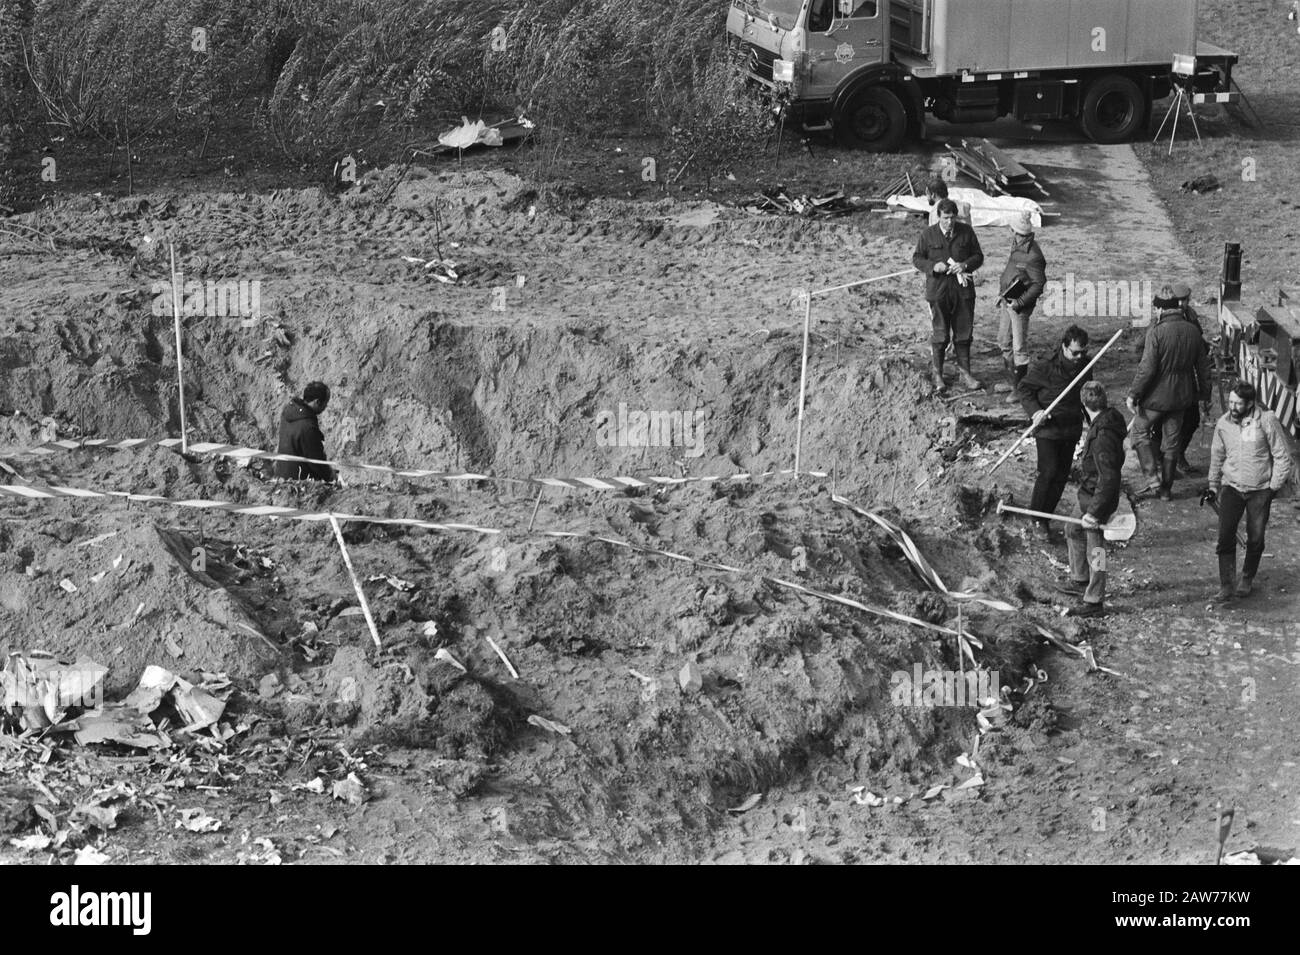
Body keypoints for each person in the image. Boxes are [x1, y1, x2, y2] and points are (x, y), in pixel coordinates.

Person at [1206, 382, 1293, 601]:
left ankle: (1247, 577)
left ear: (1250, 403)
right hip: (1232, 488)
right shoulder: (1223, 424)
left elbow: (1283, 455)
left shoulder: (1267, 421)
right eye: (1231, 402)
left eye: (1238, 403)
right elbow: (1217, 455)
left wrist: (1273, 487)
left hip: (1260, 491)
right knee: (1225, 537)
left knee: (1256, 538)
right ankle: (1226, 585)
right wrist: (1213, 485)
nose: (1233, 407)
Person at [1127, 285, 1212, 501]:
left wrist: (1134, 394)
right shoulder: (1193, 331)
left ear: (1160, 309)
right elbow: (1203, 368)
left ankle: (1152, 477)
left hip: (1156, 397)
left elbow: (1147, 368)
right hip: (1182, 397)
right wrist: (1205, 395)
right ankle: (1166, 490)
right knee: (1172, 443)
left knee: (1138, 431)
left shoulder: (1156, 332)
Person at [1055, 381, 1126, 617]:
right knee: (1072, 530)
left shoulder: (1103, 436)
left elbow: (1109, 477)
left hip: (1098, 498)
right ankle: (1079, 578)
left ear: (1084, 406)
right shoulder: (1108, 420)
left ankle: (1095, 600)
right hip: (1089, 494)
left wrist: (1095, 513)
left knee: (1097, 550)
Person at [1017, 325, 1092, 538]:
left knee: (1061, 475)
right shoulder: (1045, 366)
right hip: (1048, 428)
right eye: (1074, 352)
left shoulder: (1087, 365)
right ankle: (1037, 519)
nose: (1078, 357)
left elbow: (1086, 395)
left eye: (1082, 352)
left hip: (1071, 428)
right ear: (1064, 347)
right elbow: (1024, 389)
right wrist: (1035, 412)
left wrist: (1093, 419)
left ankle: (1046, 516)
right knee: (1048, 472)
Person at [913, 198, 985, 393]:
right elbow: (917, 258)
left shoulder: (966, 232)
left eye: (952, 218)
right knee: (940, 335)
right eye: (945, 218)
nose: (949, 222)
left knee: (964, 334)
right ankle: (938, 374)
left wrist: (965, 265)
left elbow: (978, 256)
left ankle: (965, 373)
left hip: (963, 291)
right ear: (939, 217)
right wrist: (932, 266)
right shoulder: (928, 235)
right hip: (938, 291)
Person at [997, 211, 1047, 390]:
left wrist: (1019, 303)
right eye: (1016, 232)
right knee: (1003, 340)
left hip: (1019, 306)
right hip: (1007, 300)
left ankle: (1020, 389)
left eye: (1020, 233)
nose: (1017, 236)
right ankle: (1012, 383)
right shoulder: (1016, 246)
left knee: (1019, 347)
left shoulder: (1034, 255)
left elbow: (1038, 284)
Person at [1172, 282, 1210, 474]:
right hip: (1170, 381)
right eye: (1178, 300)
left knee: (1192, 419)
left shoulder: (1191, 316)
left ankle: (1178, 454)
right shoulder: (1164, 318)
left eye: (1184, 300)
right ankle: (1165, 463)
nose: (1182, 304)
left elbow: (1201, 344)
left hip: (1188, 378)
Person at [272, 381, 337, 483]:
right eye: (325, 403)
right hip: (297, 482)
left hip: (281, 476)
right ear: (317, 402)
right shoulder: (307, 426)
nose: (326, 407)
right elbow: (316, 461)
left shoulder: (289, 411)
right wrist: (330, 475)